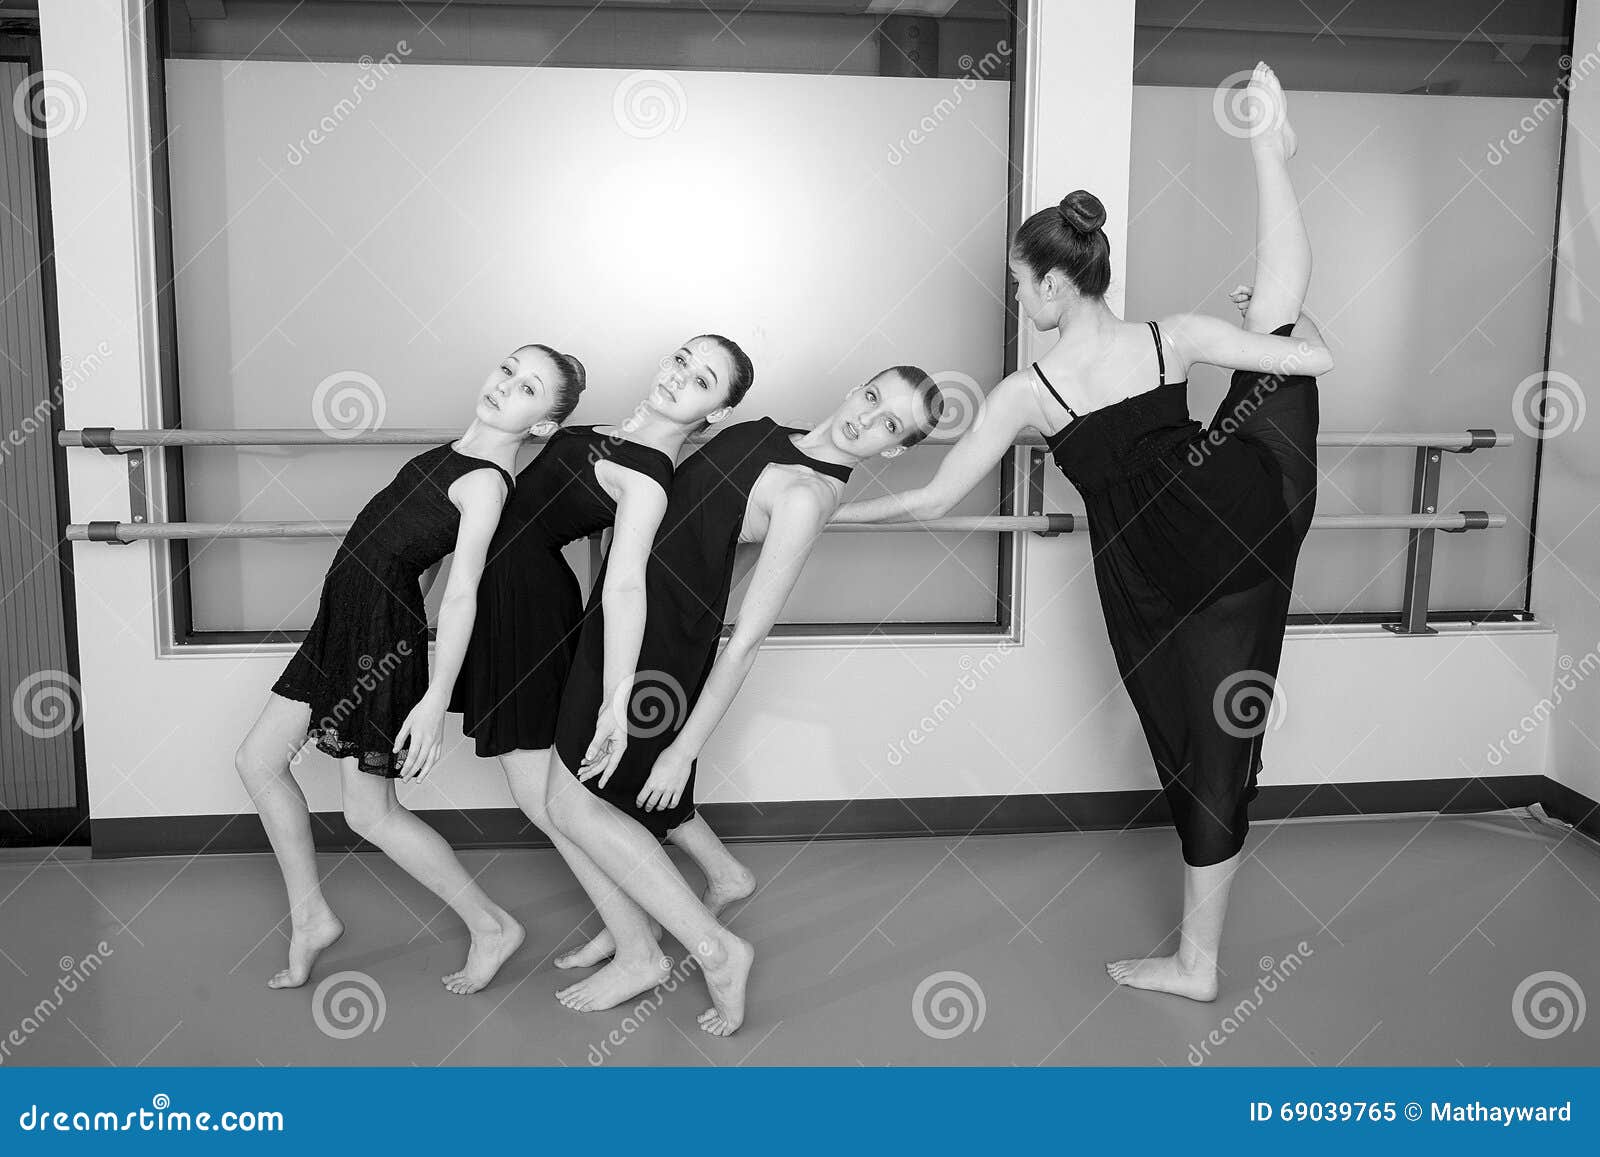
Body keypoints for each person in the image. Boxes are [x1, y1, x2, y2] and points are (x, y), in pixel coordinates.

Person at [831, 63, 1330, 1002]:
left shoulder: (1032, 390)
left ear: (1057, 283)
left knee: (1200, 747)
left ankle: (1198, 963)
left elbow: (937, 498)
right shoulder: (1170, 334)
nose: (1022, 302)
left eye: (1025, 286)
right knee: (1274, 313)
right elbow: (1314, 355)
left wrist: (827, 511)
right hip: (1245, 525)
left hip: (1165, 574)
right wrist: (1263, 342)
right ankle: (1268, 147)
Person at [544, 368, 945, 1033]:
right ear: (856, 386)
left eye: (890, 426)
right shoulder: (777, 432)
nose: (868, 420)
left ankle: (715, 950)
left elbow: (745, 642)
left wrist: (684, 748)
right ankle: (713, 882)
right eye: (872, 397)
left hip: (659, 646)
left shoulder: (807, 497)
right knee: (611, 791)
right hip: (626, 610)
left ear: (895, 449)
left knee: (573, 801)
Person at [234, 343, 585, 994]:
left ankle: (490, 925)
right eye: (508, 369)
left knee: (370, 813)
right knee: (258, 760)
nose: (506, 385)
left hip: (376, 642)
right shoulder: (452, 454)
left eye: (528, 389)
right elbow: (417, 560)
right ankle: (311, 915)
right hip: (342, 628)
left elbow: (461, 593)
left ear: (542, 426)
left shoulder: (483, 483)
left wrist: (430, 697)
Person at [451, 336, 757, 991]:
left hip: (523, 609)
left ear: (717, 411)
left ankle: (644, 949)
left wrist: (616, 697)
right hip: (507, 597)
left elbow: (623, 585)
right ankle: (636, 938)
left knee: (547, 798)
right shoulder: (611, 433)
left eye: (701, 380)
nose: (679, 377)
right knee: (546, 799)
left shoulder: (648, 475)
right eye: (682, 359)